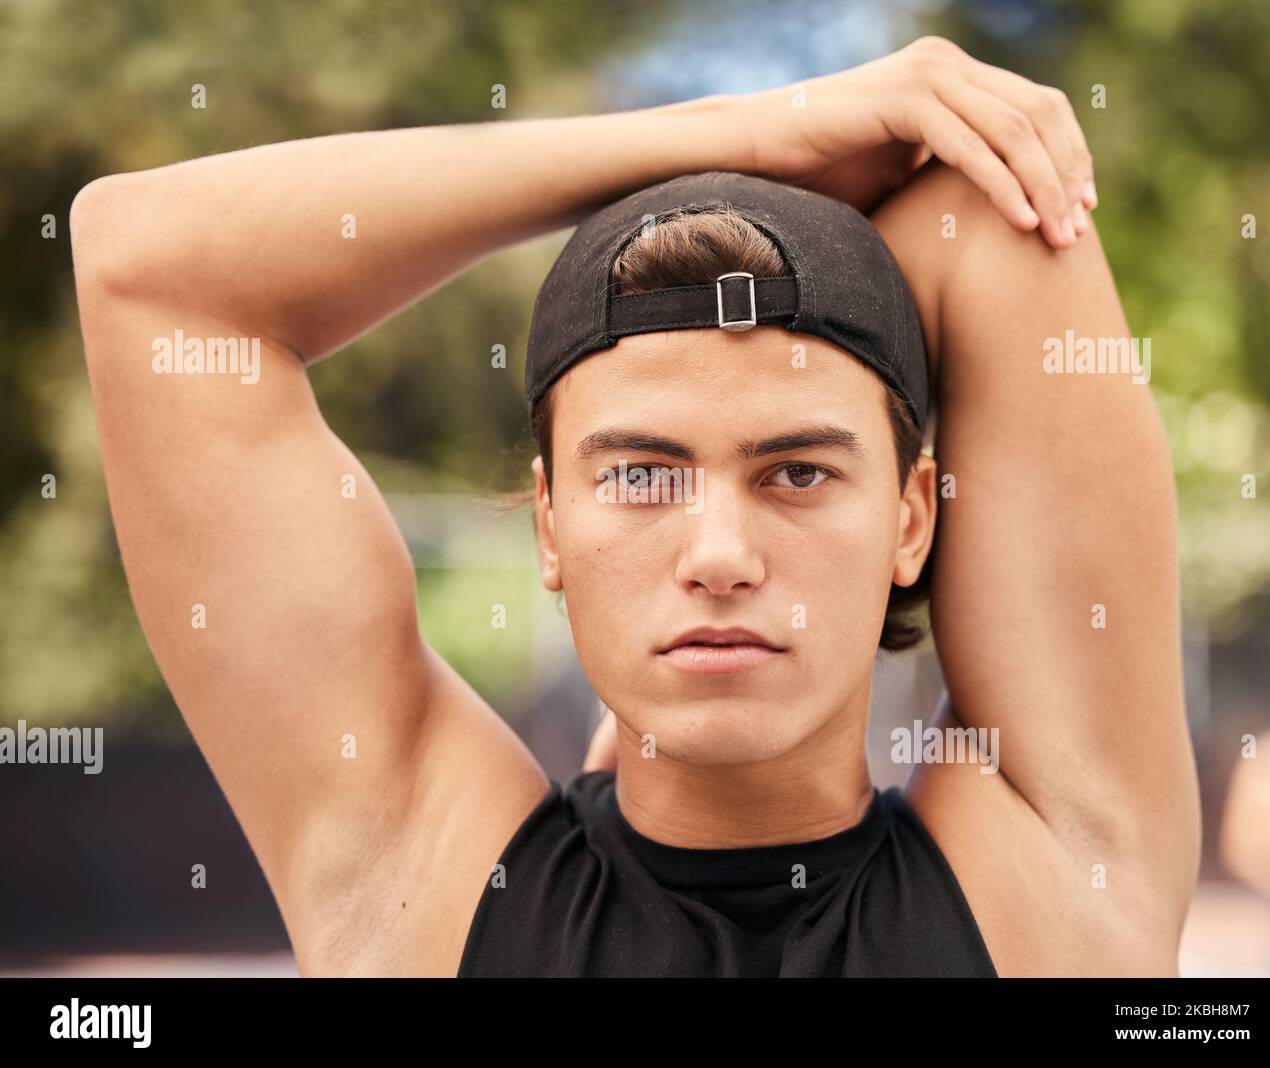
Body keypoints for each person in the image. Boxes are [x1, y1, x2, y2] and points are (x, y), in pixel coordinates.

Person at [69, 36, 1199, 976]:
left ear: (911, 519)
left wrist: (787, 225)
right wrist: (742, 135)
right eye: (642, 475)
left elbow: (994, 207)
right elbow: (147, 268)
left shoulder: (1059, 886)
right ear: (550, 524)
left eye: (798, 473)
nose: (717, 554)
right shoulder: (423, 887)